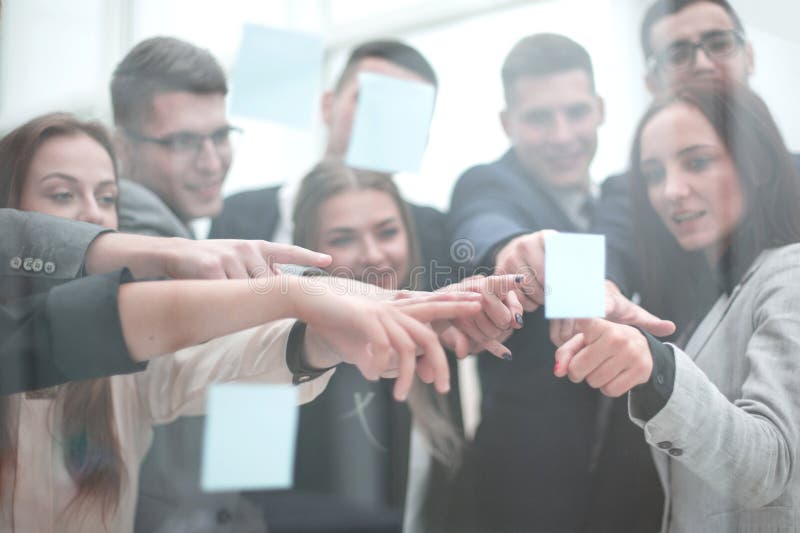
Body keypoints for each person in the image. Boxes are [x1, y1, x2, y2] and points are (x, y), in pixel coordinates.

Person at [0, 112, 486, 532]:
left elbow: (225, 357)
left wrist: (322, 334)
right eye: (62, 195)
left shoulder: (130, 375)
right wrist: (300, 297)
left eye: (107, 197)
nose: (91, 213)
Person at [447, 33, 675, 532]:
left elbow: (615, 249)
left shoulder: (623, 195)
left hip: (629, 489)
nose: (562, 133)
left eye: (575, 112)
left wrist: (599, 287)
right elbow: (484, 223)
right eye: (538, 117)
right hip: (519, 490)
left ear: (600, 109)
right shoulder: (488, 182)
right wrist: (513, 250)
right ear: (508, 123)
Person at [554, 80, 800, 532]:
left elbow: (771, 466)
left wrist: (657, 370)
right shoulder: (701, 293)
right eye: (652, 174)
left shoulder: (789, 274)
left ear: (759, 164)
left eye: (698, 162)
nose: (671, 190)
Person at [289, 159, 521, 531]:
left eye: (387, 232)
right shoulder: (288, 355)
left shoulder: (433, 330)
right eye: (343, 239)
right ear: (307, 249)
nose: (374, 254)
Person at [209, 39, 451, 289]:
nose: (384, 119)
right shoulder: (236, 218)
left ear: (422, 140)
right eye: (369, 98)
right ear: (328, 106)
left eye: (408, 110)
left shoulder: (438, 234)